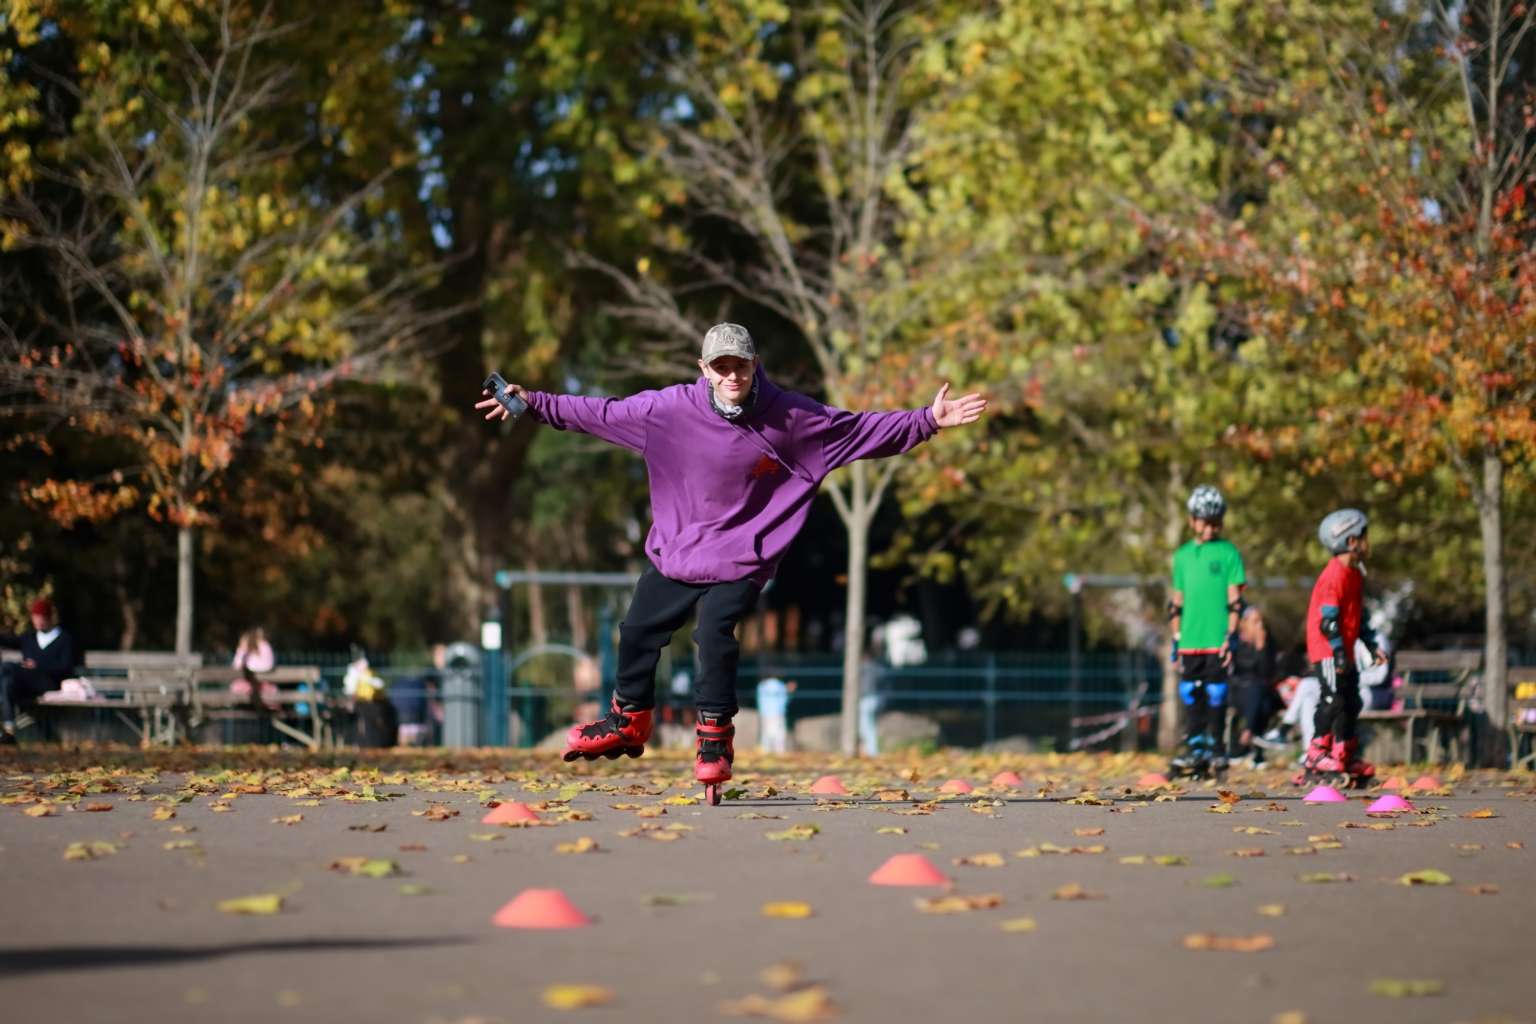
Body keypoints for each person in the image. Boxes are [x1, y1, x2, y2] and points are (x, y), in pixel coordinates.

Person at [477, 322, 986, 794]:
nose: (731, 375)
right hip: (680, 548)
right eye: (720, 367)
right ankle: (628, 719)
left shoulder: (792, 417)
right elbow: (598, 413)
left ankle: (715, 738)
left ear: (754, 364)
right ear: (704, 370)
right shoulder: (667, 410)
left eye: (740, 365)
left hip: (743, 554)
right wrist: (534, 402)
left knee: (715, 632)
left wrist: (927, 420)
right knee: (636, 631)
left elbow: (858, 432)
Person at [1296, 508, 1385, 784]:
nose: (1368, 542)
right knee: (1332, 698)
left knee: (1351, 701)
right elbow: (1328, 622)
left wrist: (1370, 646)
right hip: (1327, 649)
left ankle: (1344, 752)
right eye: (1364, 536)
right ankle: (1316, 753)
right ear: (1351, 541)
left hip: (1344, 649)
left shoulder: (1355, 574)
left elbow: (1359, 617)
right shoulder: (1334, 575)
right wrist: (1337, 654)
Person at [1166, 485, 1246, 776]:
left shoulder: (1228, 553)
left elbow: (1235, 601)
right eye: (1205, 522)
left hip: (1217, 638)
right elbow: (1177, 603)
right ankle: (1195, 744)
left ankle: (1216, 745)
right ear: (1192, 521)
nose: (1211, 528)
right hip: (1189, 639)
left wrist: (1231, 635)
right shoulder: (1182, 556)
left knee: (1216, 692)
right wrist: (1176, 636)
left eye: (1216, 522)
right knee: (1189, 690)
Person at [0, 597, 79, 744]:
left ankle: (7, 730)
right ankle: (9, 731)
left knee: (8, 668)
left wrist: (38, 666)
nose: (38, 621)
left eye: (41, 618)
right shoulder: (29, 638)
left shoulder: (64, 639)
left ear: (49, 618)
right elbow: (6, 640)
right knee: (7, 682)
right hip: (25, 685)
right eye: (35, 618)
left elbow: (66, 667)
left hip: (49, 683)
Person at [1228, 606, 1278, 765]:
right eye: (1254, 621)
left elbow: (1266, 672)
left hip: (1261, 690)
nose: (1258, 625)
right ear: (1244, 623)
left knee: (1263, 702)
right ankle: (1253, 746)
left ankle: (1246, 740)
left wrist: (1261, 647)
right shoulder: (1235, 642)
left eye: (1260, 621)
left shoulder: (1267, 642)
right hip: (1239, 688)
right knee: (1256, 693)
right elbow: (1242, 668)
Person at [230, 627, 278, 709]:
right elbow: (269, 665)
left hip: (256, 688)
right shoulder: (263, 647)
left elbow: (236, 666)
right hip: (260, 688)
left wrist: (242, 650)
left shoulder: (254, 649)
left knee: (237, 687)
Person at [755, 674, 795, 754]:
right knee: (778, 734)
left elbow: (760, 701)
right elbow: (785, 700)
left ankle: (767, 751)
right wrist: (790, 692)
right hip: (777, 713)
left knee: (767, 733)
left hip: (767, 713)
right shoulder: (780, 685)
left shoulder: (762, 686)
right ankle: (778, 752)